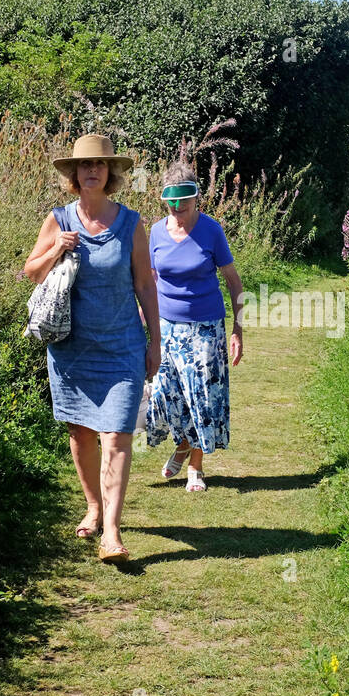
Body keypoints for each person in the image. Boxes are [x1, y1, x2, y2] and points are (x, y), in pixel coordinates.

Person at [24, 133, 161, 564]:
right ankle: (93, 506)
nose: (92, 171)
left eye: (100, 165)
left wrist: (154, 341)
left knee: (117, 435)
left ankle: (113, 533)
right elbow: (30, 273)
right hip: (72, 349)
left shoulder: (131, 223)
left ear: (111, 174)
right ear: (73, 174)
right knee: (81, 432)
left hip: (121, 347)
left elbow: (144, 284)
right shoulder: (59, 219)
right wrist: (55, 251)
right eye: (84, 165)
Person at [144, 161, 243, 491]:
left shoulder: (211, 230)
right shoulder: (156, 232)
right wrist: (144, 323)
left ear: (196, 200)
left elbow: (233, 281)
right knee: (164, 395)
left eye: (183, 208)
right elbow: (151, 279)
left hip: (205, 328)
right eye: (172, 207)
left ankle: (196, 468)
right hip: (167, 327)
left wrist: (238, 329)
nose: (178, 214)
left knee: (201, 397)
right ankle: (183, 443)